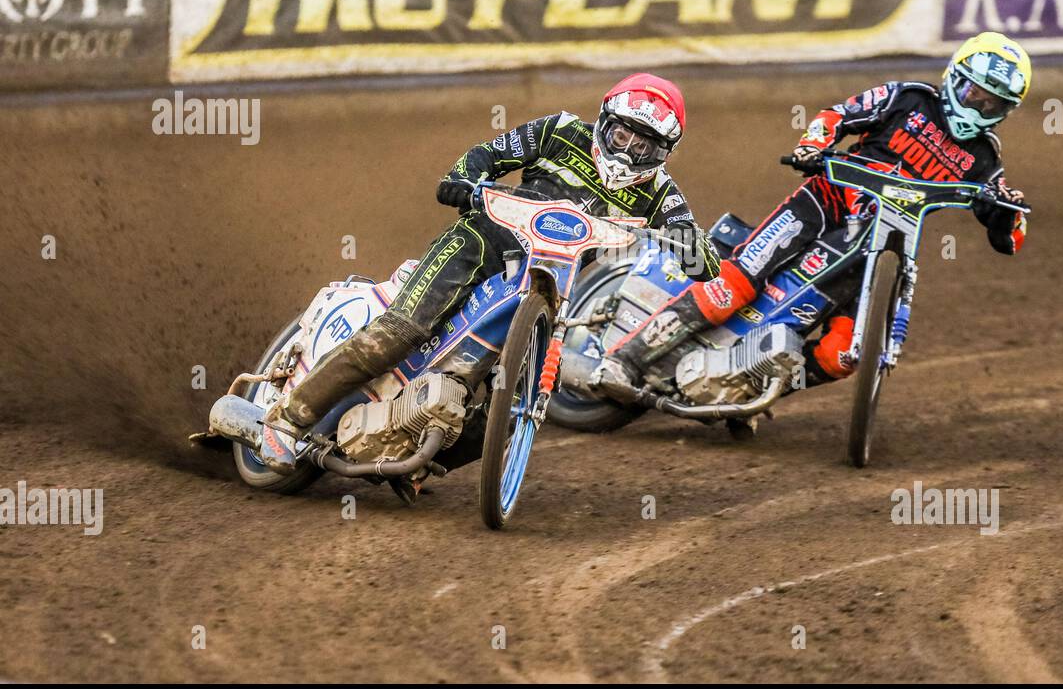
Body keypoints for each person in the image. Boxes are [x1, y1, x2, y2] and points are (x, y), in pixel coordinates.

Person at [261, 73, 720, 470]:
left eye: (643, 144)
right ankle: (288, 419)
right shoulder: (559, 131)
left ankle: (417, 461)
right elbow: (488, 154)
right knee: (403, 331)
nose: (629, 150)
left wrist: (687, 247)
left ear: (663, 150)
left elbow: (704, 260)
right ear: (605, 122)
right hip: (482, 243)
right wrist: (462, 181)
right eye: (622, 136)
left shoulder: (662, 194)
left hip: (551, 288)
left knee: (519, 400)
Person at [596, 32, 1033, 392]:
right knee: (735, 285)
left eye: (992, 104)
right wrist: (813, 145)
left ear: (1005, 112)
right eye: (973, 92)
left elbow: (1010, 235)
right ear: (954, 78)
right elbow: (836, 116)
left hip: (887, 246)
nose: (978, 106)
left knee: (846, 354)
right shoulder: (908, 98)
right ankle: (624, 360)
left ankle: (746, 385)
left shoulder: (984, 158)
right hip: (827, 201)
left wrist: (1006, 211)